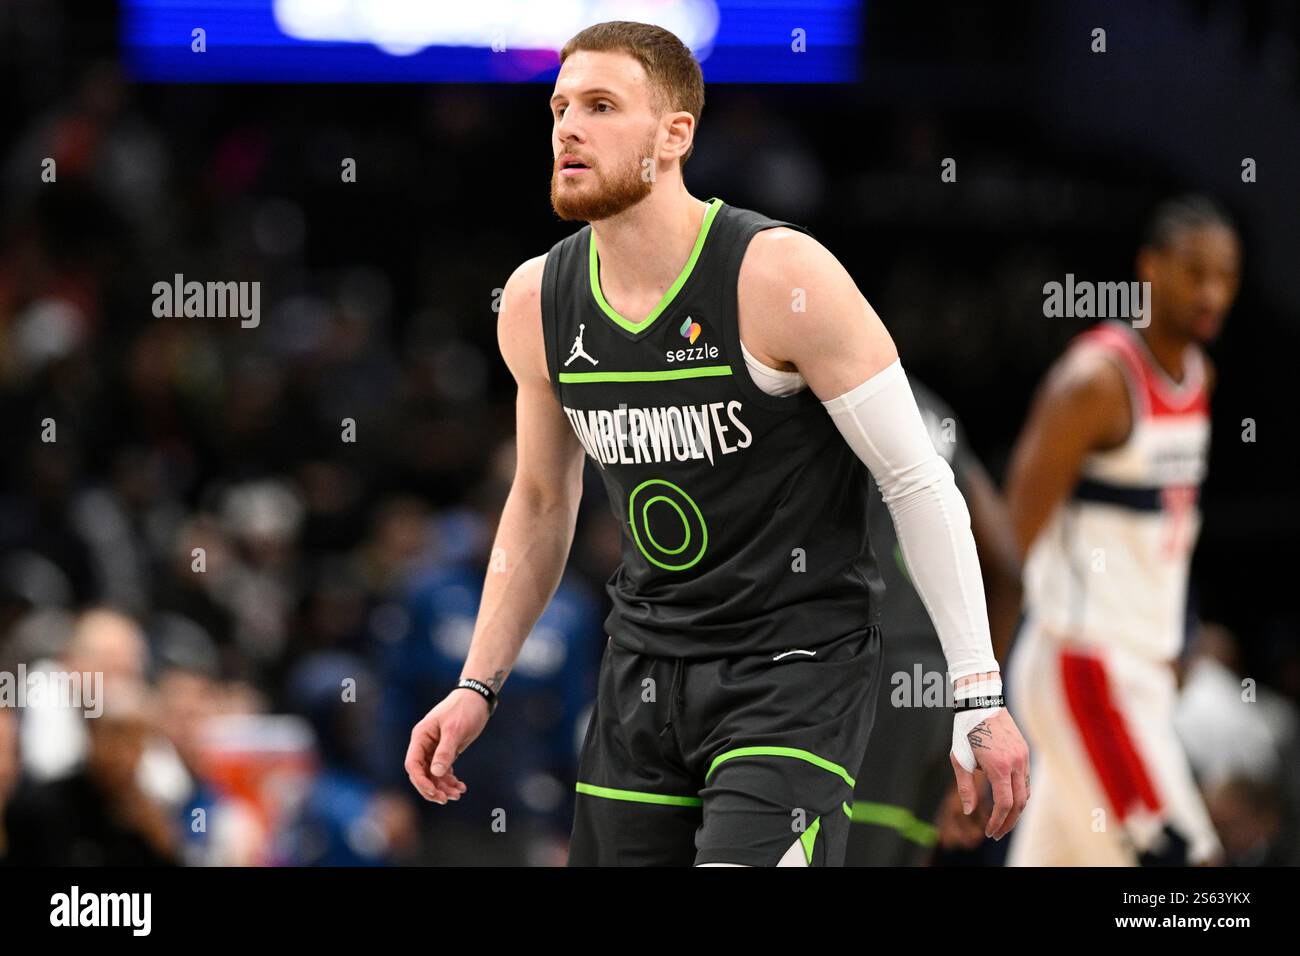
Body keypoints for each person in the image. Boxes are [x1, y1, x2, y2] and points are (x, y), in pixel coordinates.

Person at [406, 20, 1028, 867]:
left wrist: (978, 695)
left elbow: (917, 479)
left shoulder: (779, 275)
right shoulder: (534, 299)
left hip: (794, 669)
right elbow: (544, 500)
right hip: (645, 669)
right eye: (558, 109)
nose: (567, 130)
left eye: (599, 106)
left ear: (675, 135)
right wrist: (478, 683)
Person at [1003, 195, 1241, 866]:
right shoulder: (1094, 383)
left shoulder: (1201, 377)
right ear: (1150, 268)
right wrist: (970, 689)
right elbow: (1009, 541)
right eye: (1196, 271)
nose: (1212, 292)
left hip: (1143, 670)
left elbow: (1170, 531)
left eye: (1226, 275)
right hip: (1084, 665)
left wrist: (1177, 636)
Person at [844, 383, 1022, 865]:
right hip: (938, 690)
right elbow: (1007, 566)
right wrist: (979, 700)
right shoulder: (930, 410)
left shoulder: (820, 397)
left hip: (865, 682)